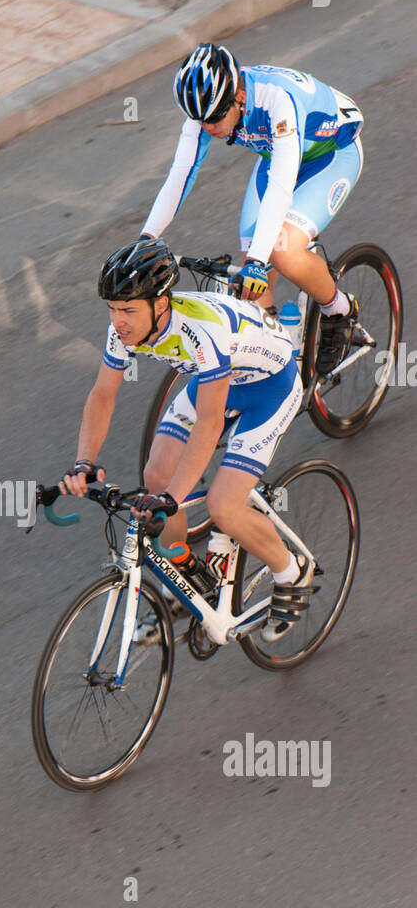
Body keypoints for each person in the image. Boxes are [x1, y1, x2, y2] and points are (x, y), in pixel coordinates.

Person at [61, 237, 316, 641]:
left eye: (127, 310)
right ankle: (181, 575)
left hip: (270, 388)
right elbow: (103, 394)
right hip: (217, 381)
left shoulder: (201, 331)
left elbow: (210, 423)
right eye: (112, 309)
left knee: (222, 505)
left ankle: (291, 573)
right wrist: (83, 461)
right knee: (157, 475)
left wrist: (173, 499)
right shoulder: (123, 330)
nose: (118, 321)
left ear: (160, 304)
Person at [143, 42, 364, 376]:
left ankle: (339, 310)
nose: (208, 128)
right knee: (249, 292)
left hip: (331, 155)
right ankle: (276, 362)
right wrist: (146, 239)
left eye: (215, 118)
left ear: (239, 99)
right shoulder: (207, 109)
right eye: (199, 120)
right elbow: (180, 175)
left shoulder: (277, 101)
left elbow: (281, 186)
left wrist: (261, 261)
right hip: (277, 158)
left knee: (281, 251)